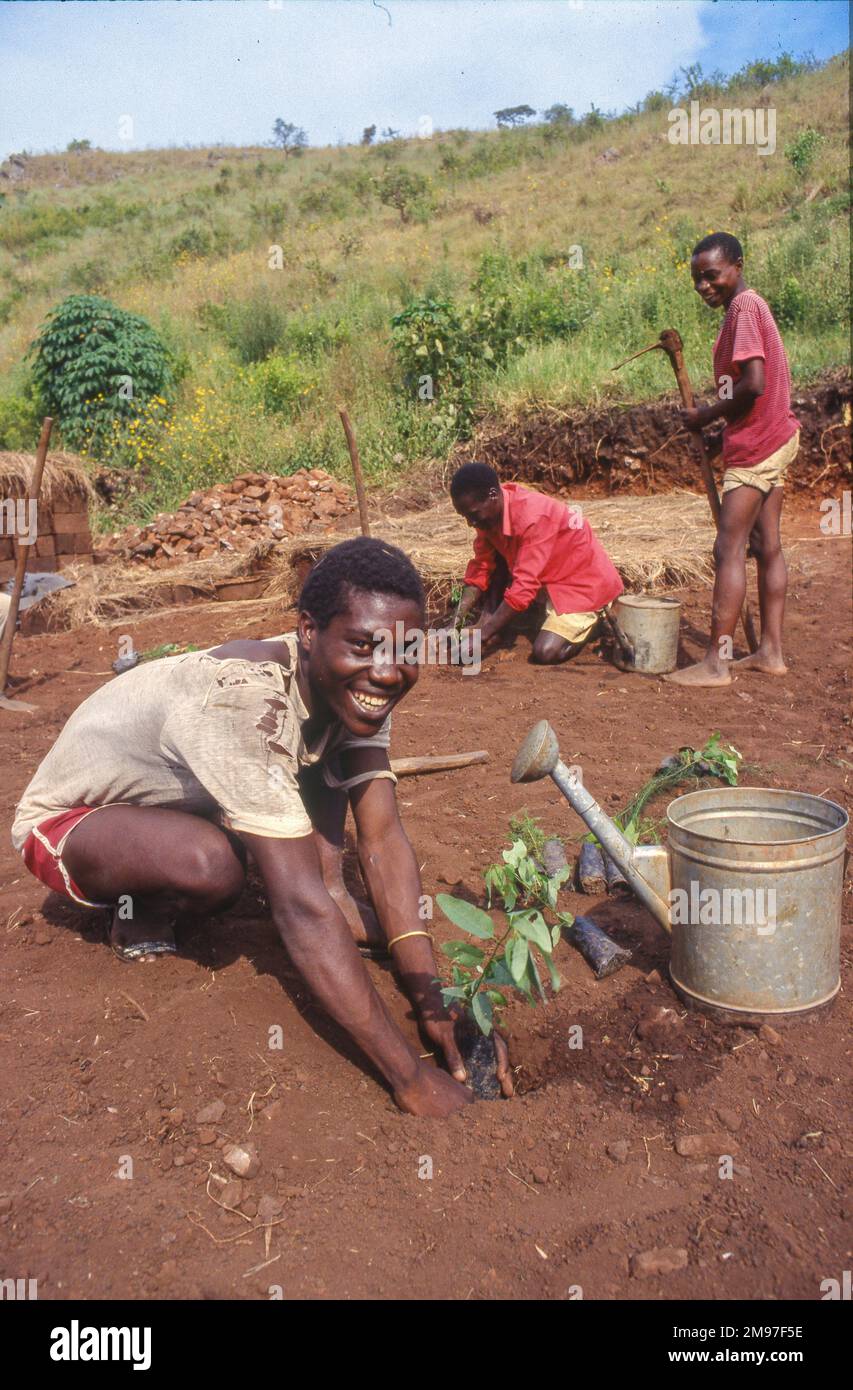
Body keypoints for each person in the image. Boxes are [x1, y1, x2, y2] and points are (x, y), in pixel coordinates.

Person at [11, 536, 512, 1117]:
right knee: (214, 865)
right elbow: (298, 909)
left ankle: (320, 894)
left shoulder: (358, 693)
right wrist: (411, 1080)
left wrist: (431, 998)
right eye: (363, 645)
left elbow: (381, 836)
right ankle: (138, 908)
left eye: (406, 649)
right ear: (307, 631)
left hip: (174, 800)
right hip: (71, 826)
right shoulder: (245, 705)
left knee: (319, 846)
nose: (387, 672)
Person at [665, 231, 800, 687]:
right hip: (771, 434)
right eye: (697, 279)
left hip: (759, 446)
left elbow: (754, 383)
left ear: (737, 266)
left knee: (729, 547)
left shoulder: (743, 309)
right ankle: (771, 653)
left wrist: (705, 415)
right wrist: (721, 439)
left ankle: (716, 663)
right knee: (766, 546)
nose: (704, 286)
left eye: (712, 275)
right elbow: (751, 396)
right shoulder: (747, 308)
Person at [450, 462, 623, 663]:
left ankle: (594, 624)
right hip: (548, 578)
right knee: (494, 560)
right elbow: (481, 567)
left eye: (472, 515)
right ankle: (491, 623)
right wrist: (457, 620)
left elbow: (524, 588)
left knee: (546, 652)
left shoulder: (534, 517)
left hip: (582, 585)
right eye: (465, 517)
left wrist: (482, 637)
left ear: (492, 495)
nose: (470, 523)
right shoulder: (488, 515)